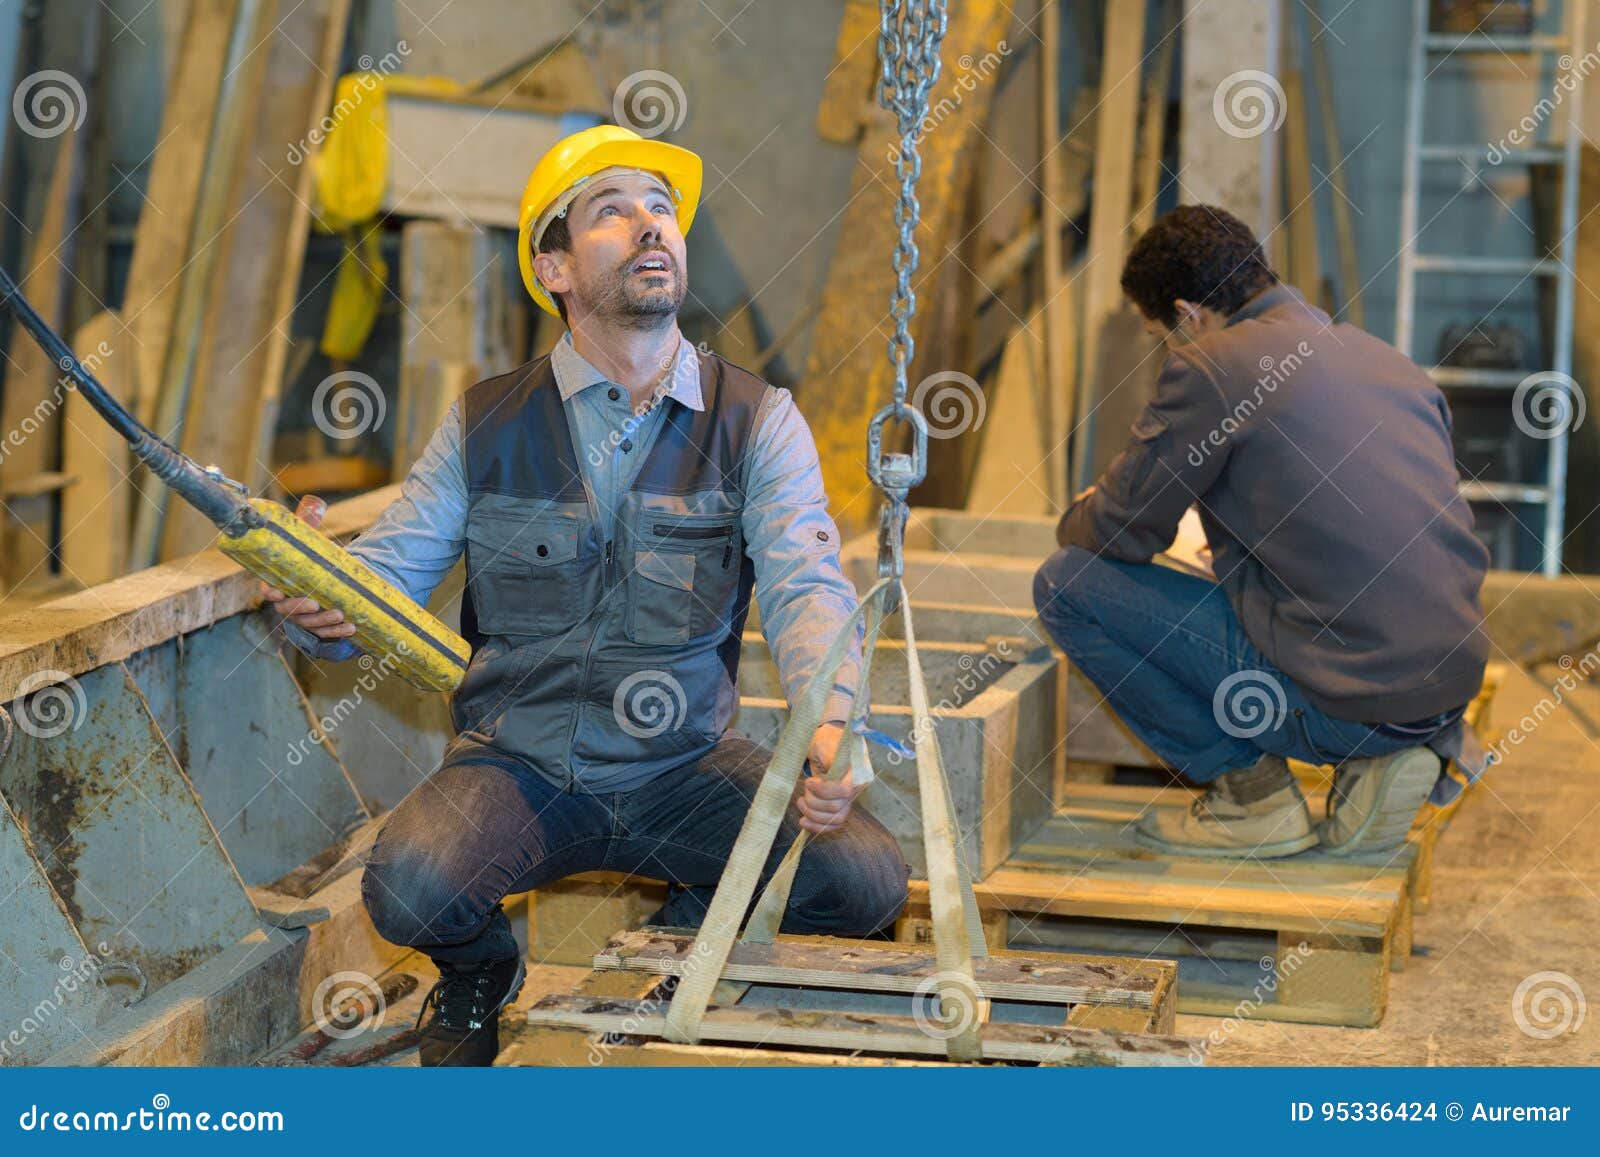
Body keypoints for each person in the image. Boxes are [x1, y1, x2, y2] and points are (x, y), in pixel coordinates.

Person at [265, 125, 908, 1065]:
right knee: (408, 888)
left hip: (682, 762)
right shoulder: (485, 423)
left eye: (664, 210)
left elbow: (809, 586)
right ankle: (481, 972)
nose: (654, 227)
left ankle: (685, 952)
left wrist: (831, 728)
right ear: (555, 266)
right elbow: (380, 584)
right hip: (521, 766)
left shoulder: (756, 419)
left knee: (864, 880)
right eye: (615, 212)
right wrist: (323, 606)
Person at [1033, 205, 1490, 860]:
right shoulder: (1385, 360)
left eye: (1161, 333)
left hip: (1347, 696)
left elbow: (1120, 532)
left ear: (1189, 316)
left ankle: (1252, 799)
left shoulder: (1211, 365)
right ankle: (1389, 757)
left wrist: (1081, 509)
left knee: (1067, 583)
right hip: (1440, 692)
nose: (1169, 348)